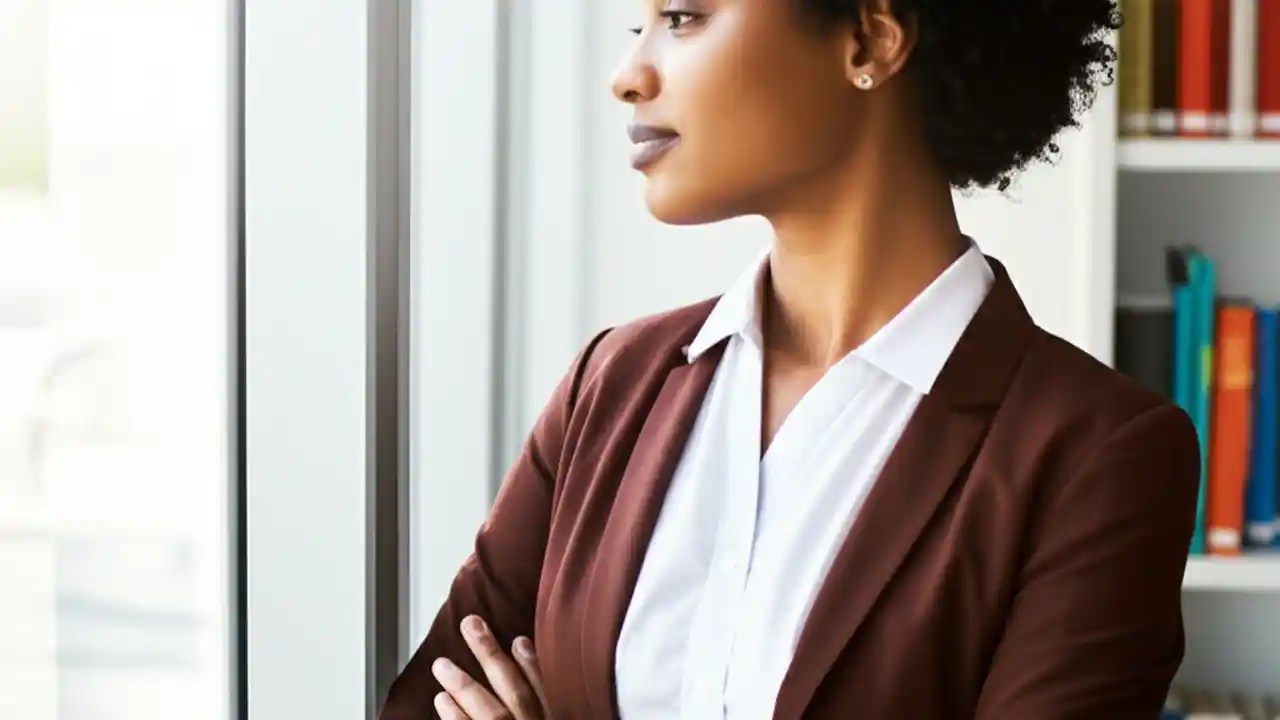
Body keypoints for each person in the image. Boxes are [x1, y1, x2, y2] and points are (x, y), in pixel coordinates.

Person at [380, 0, 1200, 718]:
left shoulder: (1098, 456)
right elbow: (431, 699)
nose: (628, 75)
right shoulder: (612, 383)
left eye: (685, 18)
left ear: (870, 43)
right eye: (642, 25)